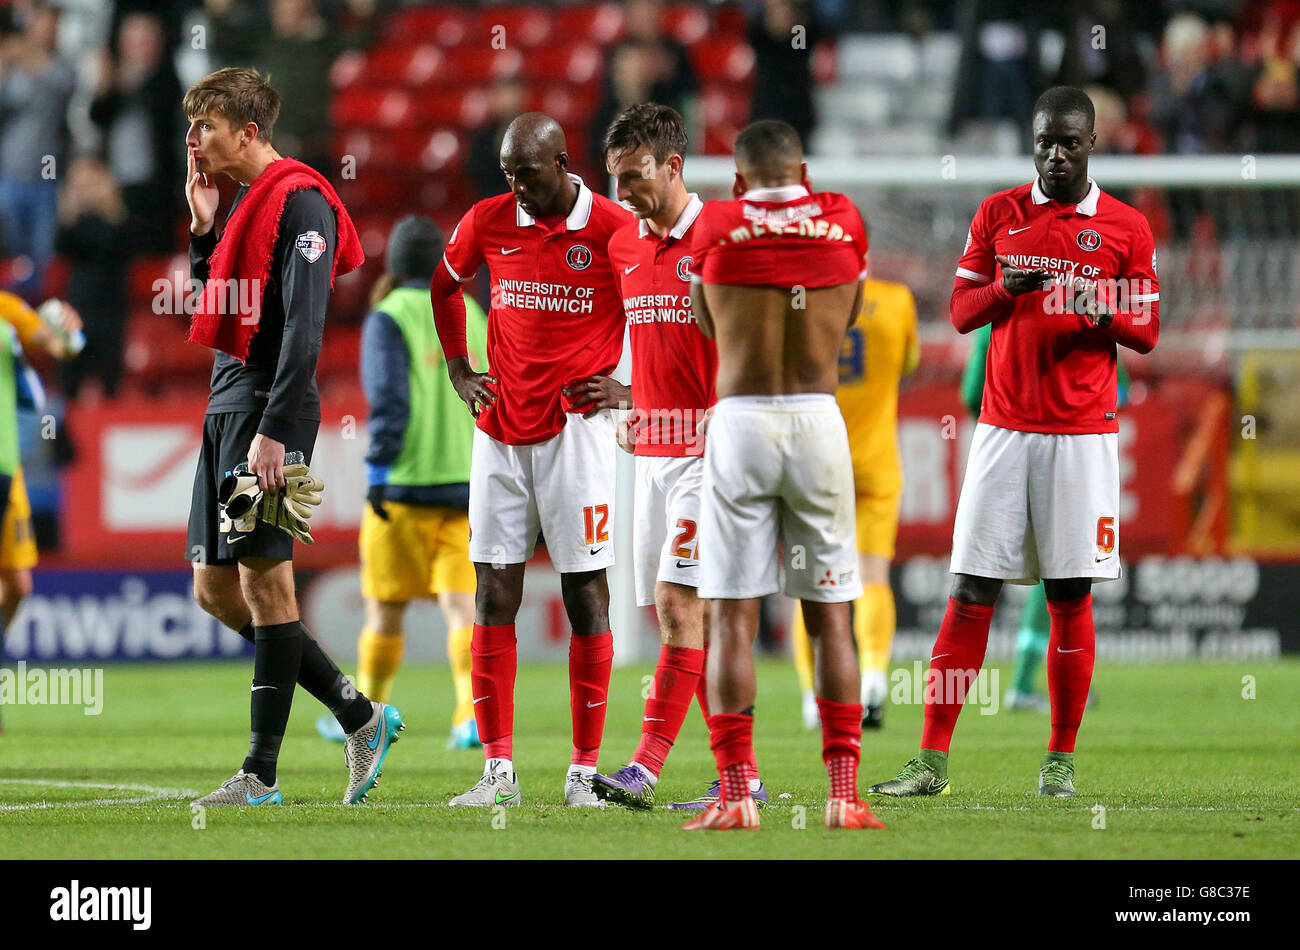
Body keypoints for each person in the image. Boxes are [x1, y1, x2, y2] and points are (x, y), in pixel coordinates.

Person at [869, 86, 1158, 799]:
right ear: (1032, 144)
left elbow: (1148, 331)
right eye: (1043, 143)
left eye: (1068, 142)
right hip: (1003, 431)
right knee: (969, 590)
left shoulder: (1125, 226)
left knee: (1069, 596)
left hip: (1082, 437)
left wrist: (1107, 312)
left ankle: (1058, 762)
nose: (1054, 154)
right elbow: (963, 311)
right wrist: (1005, 289)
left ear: (1092, 145)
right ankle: (931, 761)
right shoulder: (998, 213)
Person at [181, 67, 401, 807]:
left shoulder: (302, 203)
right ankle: (358, 713)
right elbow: (220, 299)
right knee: (216, 590)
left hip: (269, 410)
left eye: (205, 125)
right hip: (226, 404)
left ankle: (260, 774)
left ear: (248, 132)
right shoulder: (243, 207)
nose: (193, 138)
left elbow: (307, 326)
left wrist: (275, 430)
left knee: (266, 583)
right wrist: (204, 228)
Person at [682, 119, 885, 831]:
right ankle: (843, 795)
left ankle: (737, 795)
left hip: (739, 421)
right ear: (803, 172)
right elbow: (852, 314)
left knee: (732, 615)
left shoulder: (714, 223)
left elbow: (707, 324)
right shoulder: (842, 219)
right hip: (818, 420)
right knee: (832, 617)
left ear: (739, 180)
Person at [431, 113, 633, 807]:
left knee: (584, 591)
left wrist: (633, 389)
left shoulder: (612, 229)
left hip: (579, 431)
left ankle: (583, 775)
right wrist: (460, 369)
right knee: (492, 591)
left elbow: (669, 310)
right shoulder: (489, 220)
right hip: (498, 427)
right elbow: (444, 285)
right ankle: (498, 774)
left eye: (529, 172)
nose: (516, 186)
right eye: (508, 173)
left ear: (563, 161)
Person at [574, 103, 766, 810]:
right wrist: (629, 397)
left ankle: (646, 766)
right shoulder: (626, 245)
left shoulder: (722, 235)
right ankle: (742, 775)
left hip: (712, 456)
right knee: (687, 614)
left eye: (636, 178)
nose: (624, 194)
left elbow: (760, 336)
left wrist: (733, 411)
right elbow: (648, 339)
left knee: (680, 602)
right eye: (615, 180)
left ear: (674, 165)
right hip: (651, 453)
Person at [314, 215, 489, 750]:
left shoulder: (388, 317)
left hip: (404, 488)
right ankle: (469, 715)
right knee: (463, 606)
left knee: (385, 609)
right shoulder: (473, 313)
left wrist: (378, 473)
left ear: (393, 264)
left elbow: (391, 402)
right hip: (465, 484)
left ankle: (362, 714)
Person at [792, 262, 918, 731]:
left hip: (815, 456)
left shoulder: (804, 298)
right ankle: (872, 683)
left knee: (805, 577)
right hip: (876, 462)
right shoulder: (898, 300)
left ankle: (812, 696)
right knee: (872, 576)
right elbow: (908, 364)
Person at [0, 291, 80, 734]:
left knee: (17, 584)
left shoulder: (6, 309)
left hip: (6, 470)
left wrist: (66, 330)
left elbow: (59, 343)